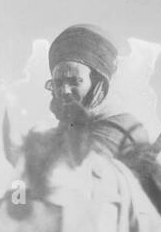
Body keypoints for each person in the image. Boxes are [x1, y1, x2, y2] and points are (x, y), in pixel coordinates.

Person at [46, 24, 152, 156]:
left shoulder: (123, 131)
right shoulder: (64, 132)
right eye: (58, 83)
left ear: (98, 82)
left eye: (74, 81)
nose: (65, 90)